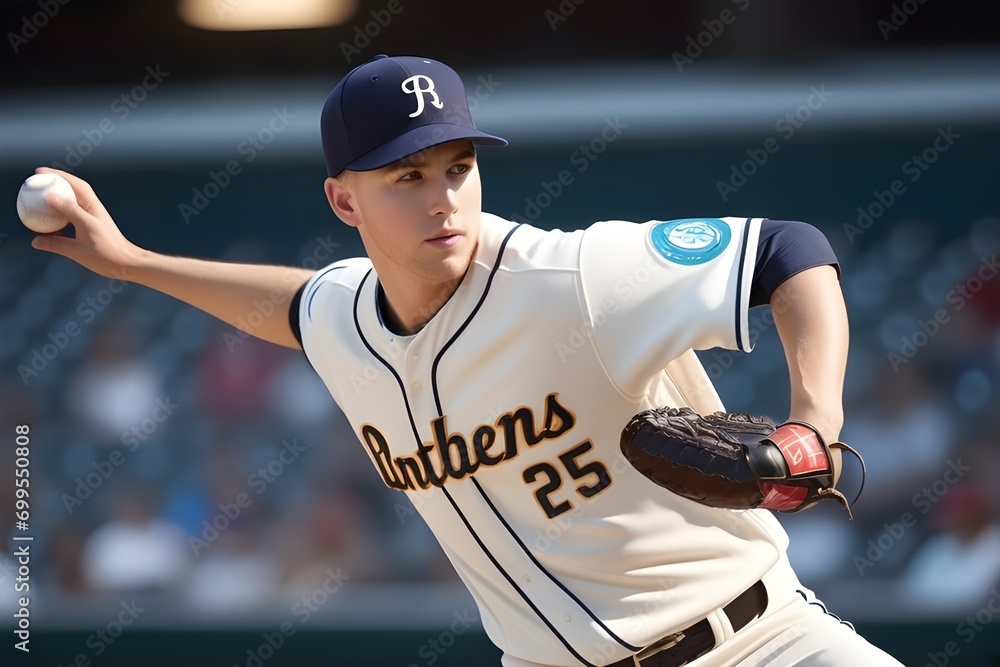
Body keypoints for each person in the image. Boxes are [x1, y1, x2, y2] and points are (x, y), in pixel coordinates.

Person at [30, 54, 903, 667]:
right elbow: (290, 305)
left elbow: (792, 251)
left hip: (757, 643)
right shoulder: (344, 316)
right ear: (343, 200)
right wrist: (130, 261)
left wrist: (813, 424)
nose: (444, 198)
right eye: (406, 177)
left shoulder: (574, 277)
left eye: (457, 166)